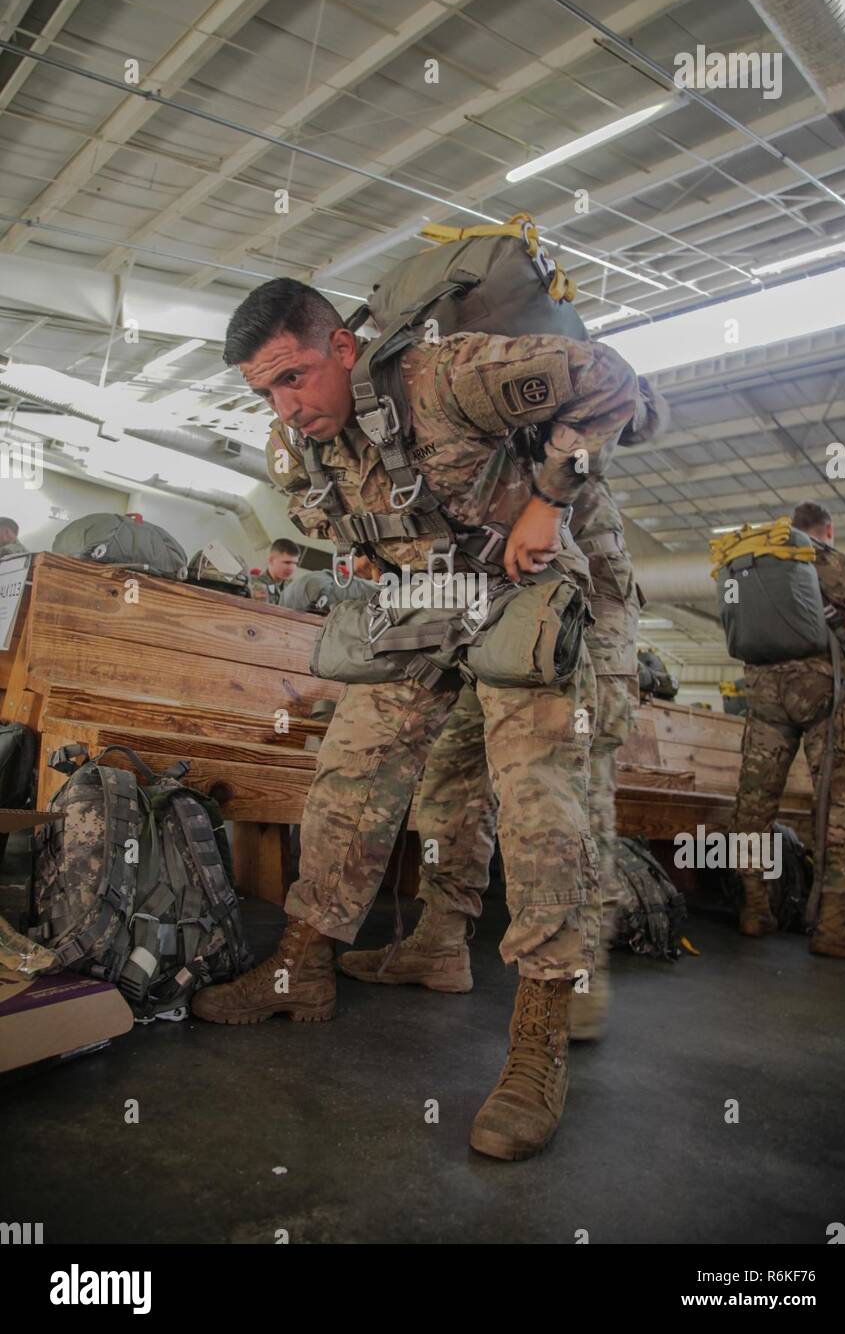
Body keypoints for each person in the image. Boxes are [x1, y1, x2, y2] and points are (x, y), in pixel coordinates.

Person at [192, 277, 646, 1162]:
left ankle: (540, 1035)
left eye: (293, 377)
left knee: (539, 794)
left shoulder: (448, 376)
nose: (284, 407)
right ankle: (303, 963)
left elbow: (612, 378)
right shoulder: (296, 451)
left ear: (343, 348)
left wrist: (550, 498)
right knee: (352, 767)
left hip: (533, 579)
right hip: (430, 599)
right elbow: (362, 532)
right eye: (263, 392)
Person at [339, 458, 662, 1043]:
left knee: (569, 793)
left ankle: (575, 976)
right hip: (494, 621)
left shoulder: (561, 454)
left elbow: (606, 576)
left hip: (584, 628)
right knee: (451, 775)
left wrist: (609, 678)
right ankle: (439, 940)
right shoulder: (466, 442)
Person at [732, 501, 845, 959]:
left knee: (754, 804)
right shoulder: (835, 564)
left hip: (764, 697)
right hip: (824, 697)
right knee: (836, 804)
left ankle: (754, 908)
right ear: (827, 529)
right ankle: (832, 923)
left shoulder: (754, 559)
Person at [261, 538, 301, 603]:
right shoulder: (254, 585)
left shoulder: (293, 589)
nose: (291, 568)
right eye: (287, 562)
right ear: (271, 560)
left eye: (295, 563)